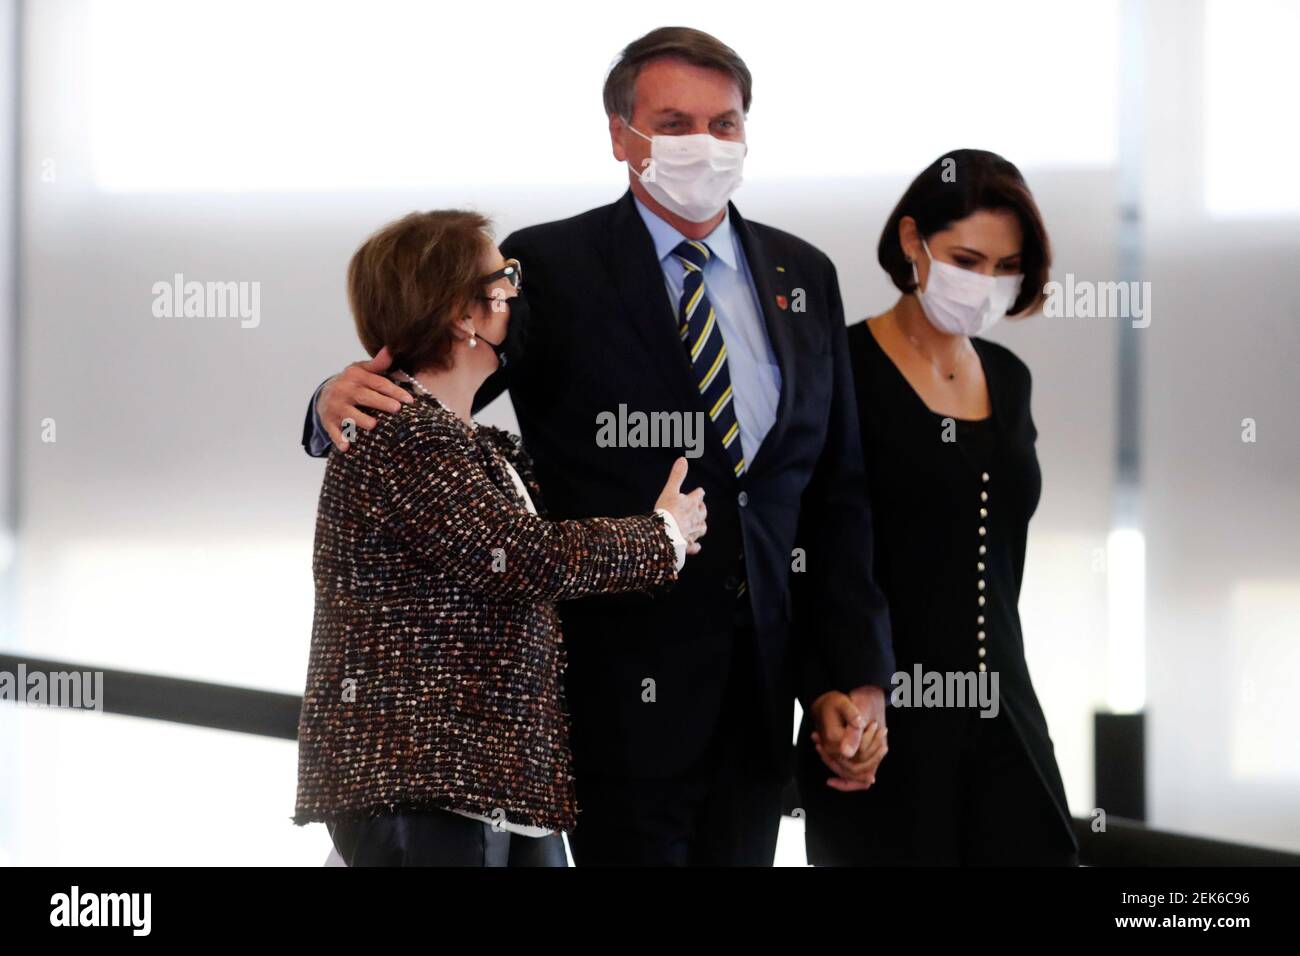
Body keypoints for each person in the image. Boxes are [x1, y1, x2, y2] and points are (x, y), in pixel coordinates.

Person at [300, 27, 893, 865]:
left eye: (724, 124)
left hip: (760, 694)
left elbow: (835, 493)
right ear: (622, 135)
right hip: (613, 700)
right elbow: (438, 373)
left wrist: (851, 674)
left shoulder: (804, 275)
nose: (704, 144)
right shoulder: (548, 265)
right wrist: (332, 401)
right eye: (675, 123)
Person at [292, 209, 708, 866]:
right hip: (428, 785)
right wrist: (663, 536)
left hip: (486, 786)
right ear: (464, 315)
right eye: (503, 279)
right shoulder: (407, 435)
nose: (516, 293)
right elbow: (521, 557)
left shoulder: (464, 442)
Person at [796, 150, 1079, 865]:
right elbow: (802, 554)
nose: (985, 284)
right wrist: (824, 690)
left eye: (1006, 267)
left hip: (1007, 718)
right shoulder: (839, 369)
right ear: (911, 241)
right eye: (967, 260)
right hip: (875, 724)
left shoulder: (1010, 379)